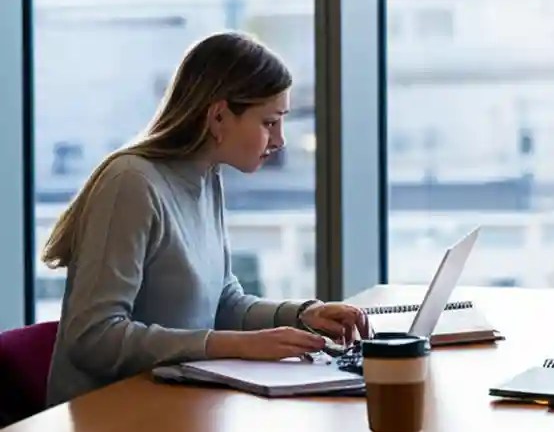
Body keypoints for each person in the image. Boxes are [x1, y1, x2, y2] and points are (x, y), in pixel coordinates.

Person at [43, 31, 369, 407]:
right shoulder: (131, 184)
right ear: (218, 116)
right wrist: (237, 345)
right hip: (105, 418)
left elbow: (224, 303)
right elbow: (93, 337)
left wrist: (303, 315)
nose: (279, 141)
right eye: (269, 123)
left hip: (170, 405)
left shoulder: (205, 177)